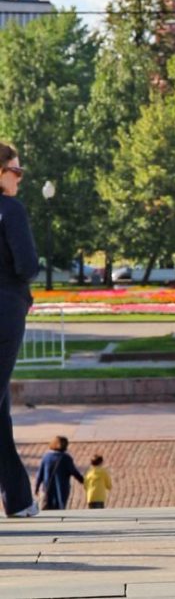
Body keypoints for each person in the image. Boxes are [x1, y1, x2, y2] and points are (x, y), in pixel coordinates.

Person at [0, 142, 40, 518]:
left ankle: (19, 498)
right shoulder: (10, 209)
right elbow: (27, 264)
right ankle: (19, 498)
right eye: (16, 171)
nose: (20, 179)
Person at [35, 436, 83, 510]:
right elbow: (74, 472)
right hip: (62, 489)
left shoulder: (46, 457)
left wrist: (37, 487)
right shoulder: (66, 458)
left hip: (47, 489)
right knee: (60, 508)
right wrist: (83, 481)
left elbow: (40, 474)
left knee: (47, 508)